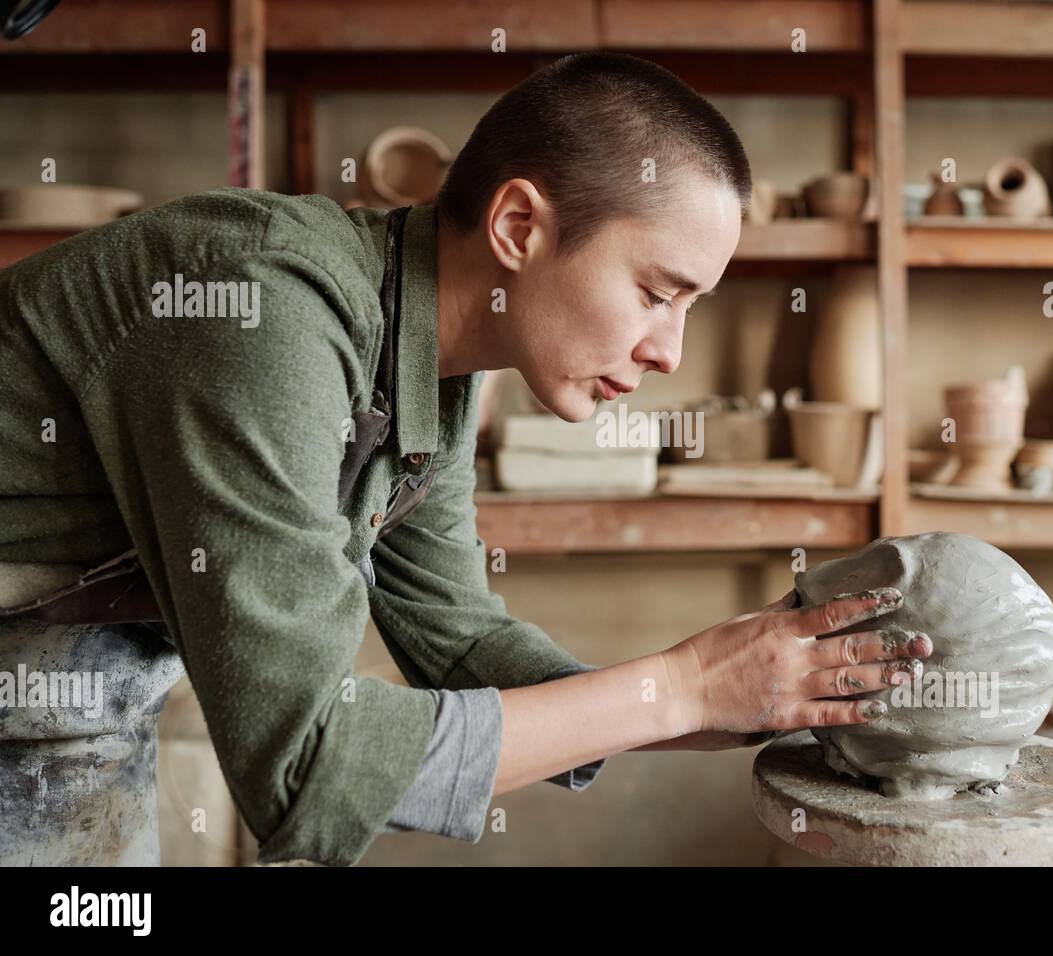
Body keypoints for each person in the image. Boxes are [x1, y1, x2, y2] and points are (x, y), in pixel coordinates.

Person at [0, 52, 930, 866]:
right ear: (519, 226)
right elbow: (307, 766)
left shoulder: (435, 369)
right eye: (656, 293)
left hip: (66, 731)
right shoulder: (263, 310)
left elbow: (461, 643)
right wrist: (678, 687)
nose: (669, 353)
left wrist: (730, 700)